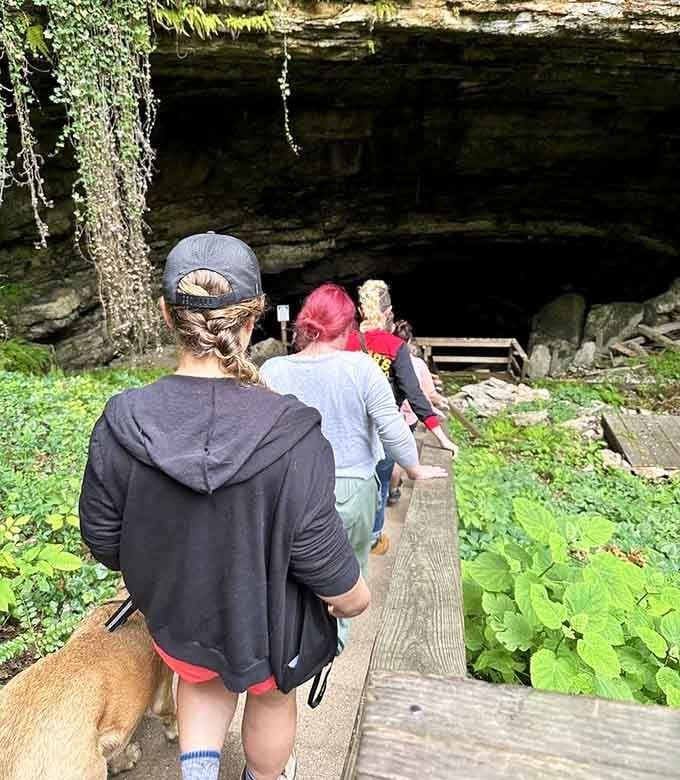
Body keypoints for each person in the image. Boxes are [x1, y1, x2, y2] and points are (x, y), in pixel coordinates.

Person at [79, 234, 369, 780]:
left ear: (167, 314)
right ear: (254, 317)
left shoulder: (122, 419)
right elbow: (318, 554)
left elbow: (103, 539)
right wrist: (353, 599)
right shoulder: (293, 429)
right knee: (271, 698)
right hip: (267, 625)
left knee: (200, 677)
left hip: (179, 617)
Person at [261, 284, 447, 652]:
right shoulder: (361, 368)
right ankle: (332, 641)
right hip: (350, 485)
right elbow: (392, 428)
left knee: (288, 561)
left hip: (289, 485)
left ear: (304, 323)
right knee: (348, 567)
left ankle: (284, 630)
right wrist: (413, 467)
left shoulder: (273, 369)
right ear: (349, 326)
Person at [346, 279, 458, 554]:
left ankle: (346, 537)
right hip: (384, 431)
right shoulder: (395, 346)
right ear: (388, 312)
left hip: (349, 429)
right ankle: (372, 538)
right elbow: (415, 395)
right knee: (380, 484)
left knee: (349, 483)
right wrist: (441, 437)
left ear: (360, 312)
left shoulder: (343, 343)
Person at [388, 319, 456, 506]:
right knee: (398, 457)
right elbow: (427, 394)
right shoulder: (417, 364)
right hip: (408, 416)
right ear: (410, 341)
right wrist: (439, 403)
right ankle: (393, 491)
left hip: (385, 416)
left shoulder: (381, 359)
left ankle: (385, 491)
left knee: (386, 455)